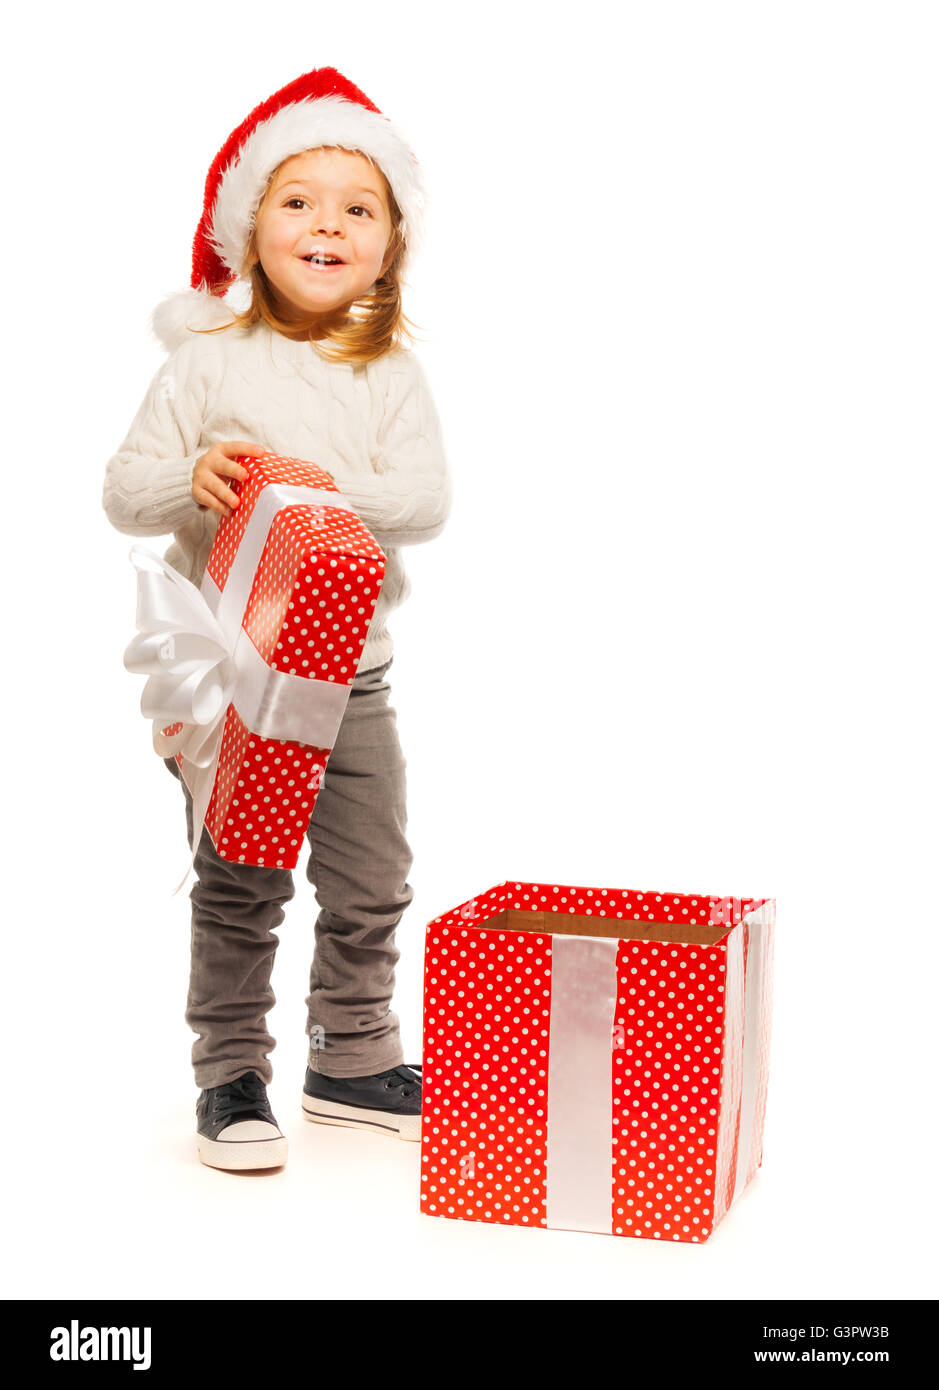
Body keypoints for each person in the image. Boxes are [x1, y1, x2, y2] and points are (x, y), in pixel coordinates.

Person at [102, 67, 452, 1172]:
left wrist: (304, 492)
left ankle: (351, 1053)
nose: (328, 224)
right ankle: (231, 1071)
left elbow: (425, 500)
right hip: (242, 680)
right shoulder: (203, 361)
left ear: (390, 246)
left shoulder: (389, 372)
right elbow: (124, 487)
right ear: (248, 227)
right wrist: (196, 476)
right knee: (241, 874)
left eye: (360, 207)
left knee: (372, 872)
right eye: (300, 200)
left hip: (355, 679)